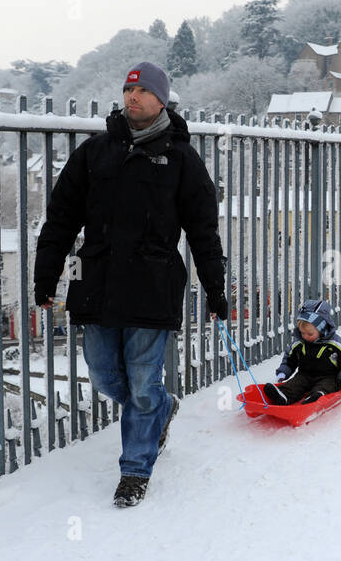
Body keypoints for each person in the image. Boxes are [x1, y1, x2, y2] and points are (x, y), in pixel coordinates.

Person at [33, 62, 228, 507]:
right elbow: (61, 217)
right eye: (127, 89)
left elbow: (203, 231)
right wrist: (47, 276)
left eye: (141, 91)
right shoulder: (95, 152)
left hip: (153, 285)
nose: (131, 97)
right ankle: (159, 409)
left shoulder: (181, 159)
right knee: (103, 374)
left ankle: (136, 468)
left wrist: (215, 291)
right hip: (95, 283)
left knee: (142, 381)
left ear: (162, 99)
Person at [263, 299, 341, 405]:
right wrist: (284, 372)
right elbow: (290, 359)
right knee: (296, 382)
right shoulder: (299, 343)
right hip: (305, 375)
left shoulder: (336, 344)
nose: (305, 336)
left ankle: (316, 397)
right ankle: (283, 396)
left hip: (329, 376)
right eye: (302, 333)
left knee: (327, 385)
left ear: (322, 329)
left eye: (309, 334)